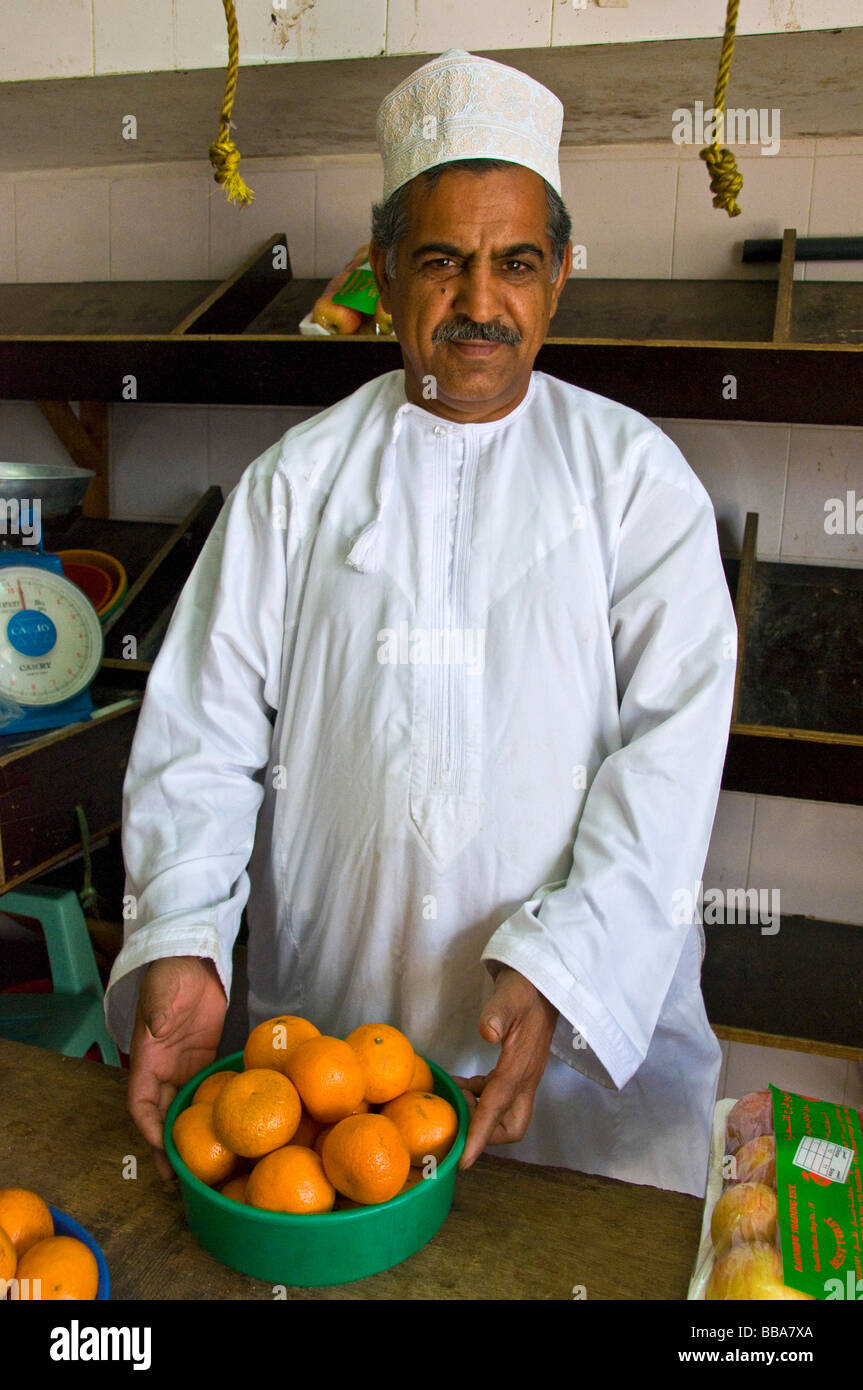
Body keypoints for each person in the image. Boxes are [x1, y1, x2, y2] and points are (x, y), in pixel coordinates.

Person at [105, 48, 737, 1196]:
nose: (479, 303)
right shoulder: (293, 484)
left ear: (556, 283)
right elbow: (200, 737)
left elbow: (672, 761)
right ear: (383, 272)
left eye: (516, 264)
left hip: (583, 1075)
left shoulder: (634, 481)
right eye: (441, 262)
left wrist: (558, 970)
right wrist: (184, 939)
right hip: (340, 1070)